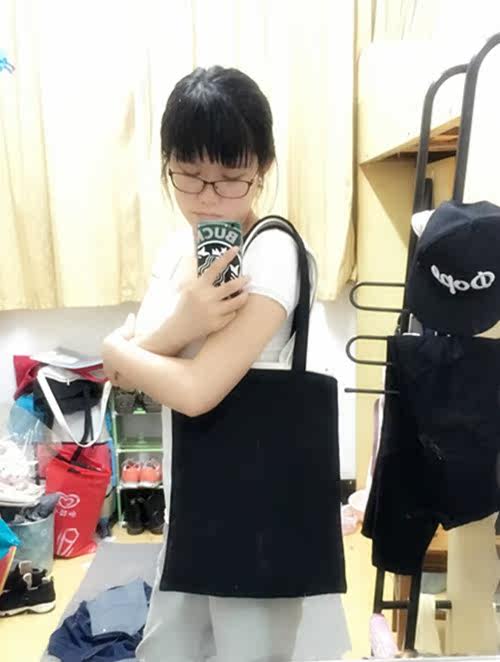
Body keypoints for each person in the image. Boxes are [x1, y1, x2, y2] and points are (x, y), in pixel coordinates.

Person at [102, 65, 350, 662]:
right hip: (193, 499)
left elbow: (195, 390)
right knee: (167, 648)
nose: (208, 197)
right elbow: (132, 373)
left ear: (262, 169)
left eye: (230, 179)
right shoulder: (174, 252)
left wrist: (117, 349)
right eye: (189, 176)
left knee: (249, 650)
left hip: (258, 510)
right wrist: (182, 324)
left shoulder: (274, 253)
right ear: (167, 164)